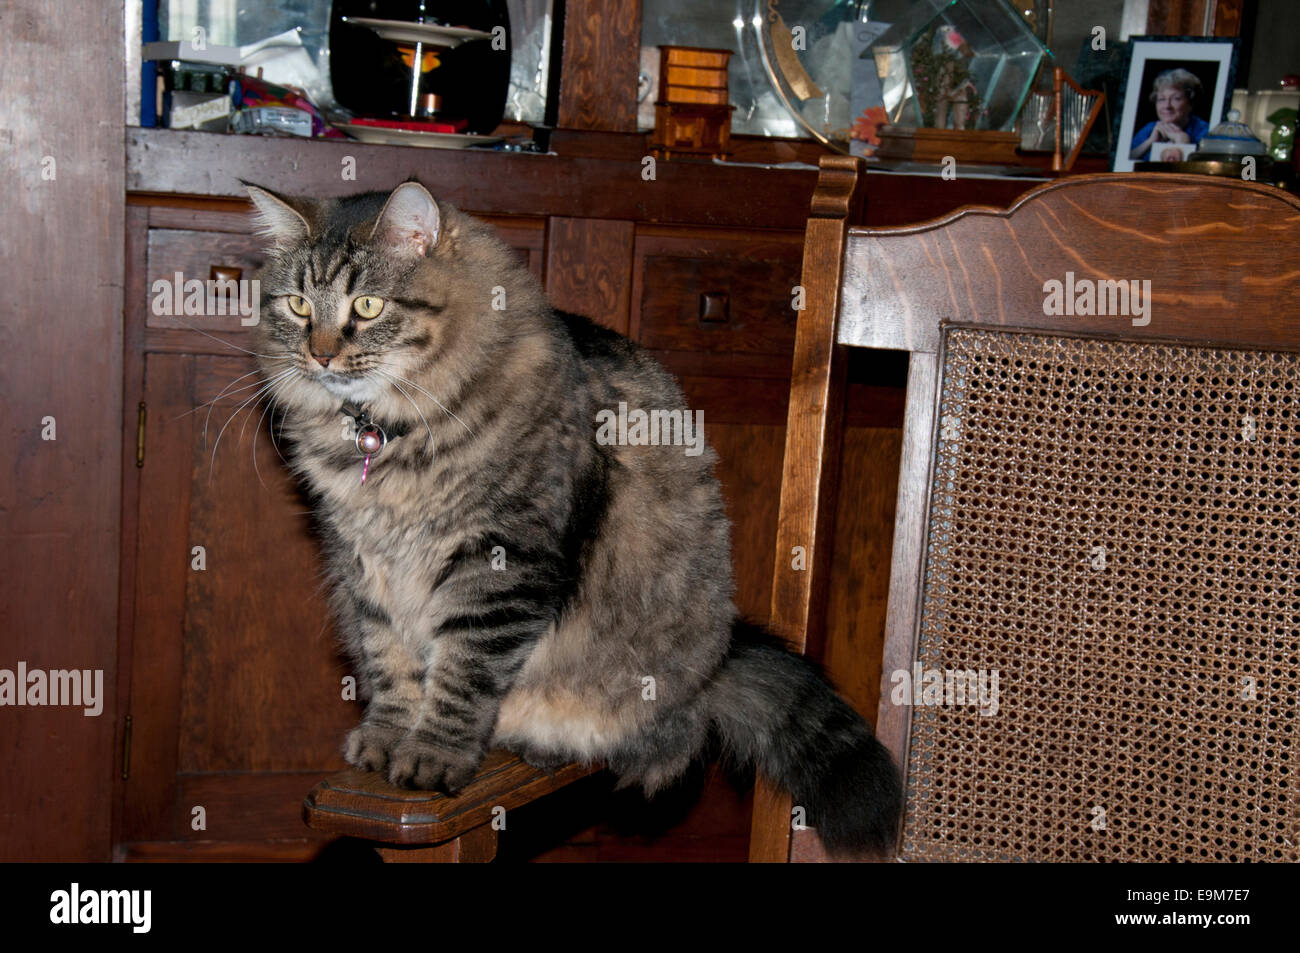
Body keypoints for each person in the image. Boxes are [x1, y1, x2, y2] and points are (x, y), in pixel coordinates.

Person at [1129, 68, 1210, 160]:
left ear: (1190, 103)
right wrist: (1150, 141)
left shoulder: (1206, 132)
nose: (1167, 106)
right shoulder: (1150, 128)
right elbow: (1122, 160)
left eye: (1176, 99)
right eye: (1161, 99)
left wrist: (1184, 144)